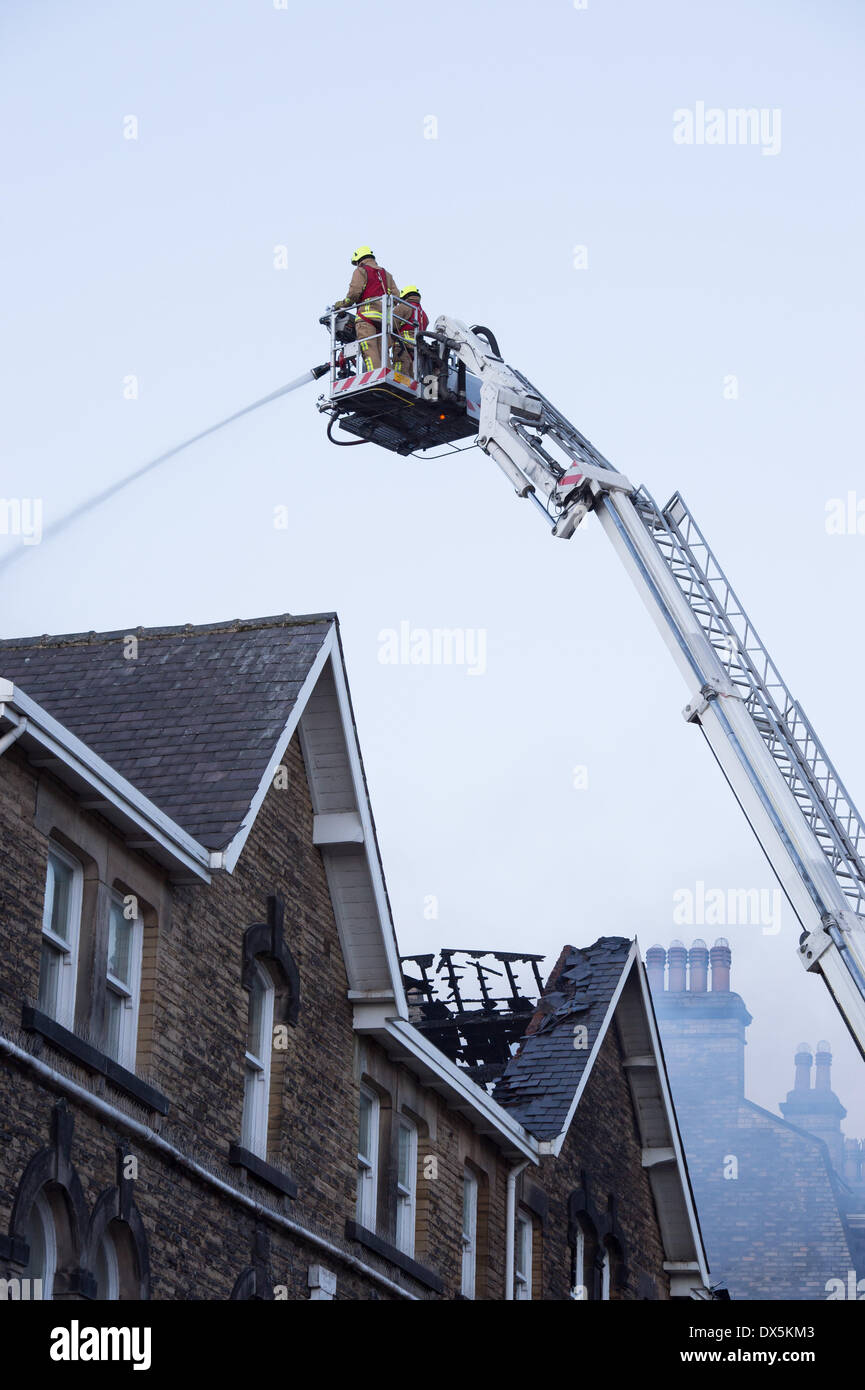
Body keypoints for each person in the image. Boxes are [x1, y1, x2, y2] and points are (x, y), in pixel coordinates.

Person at [334, 247, 400, 371]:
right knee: (383, 352)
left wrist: (343, 304)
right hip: (384, 320)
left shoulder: (361, 270)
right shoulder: (387, 274)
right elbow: (396, 297)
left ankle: (374, 376)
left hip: (366, 317)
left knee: (369, 349)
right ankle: (387, 373)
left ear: (359, 260)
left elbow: (354, 293)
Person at [393, 285, 429, 378]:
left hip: (402, 344)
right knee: (411, 372)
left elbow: (391, 324)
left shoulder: (403, 307)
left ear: (405, 296)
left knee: (401, 365)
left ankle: (398, 383)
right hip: (417, 347)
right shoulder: (423, 314)